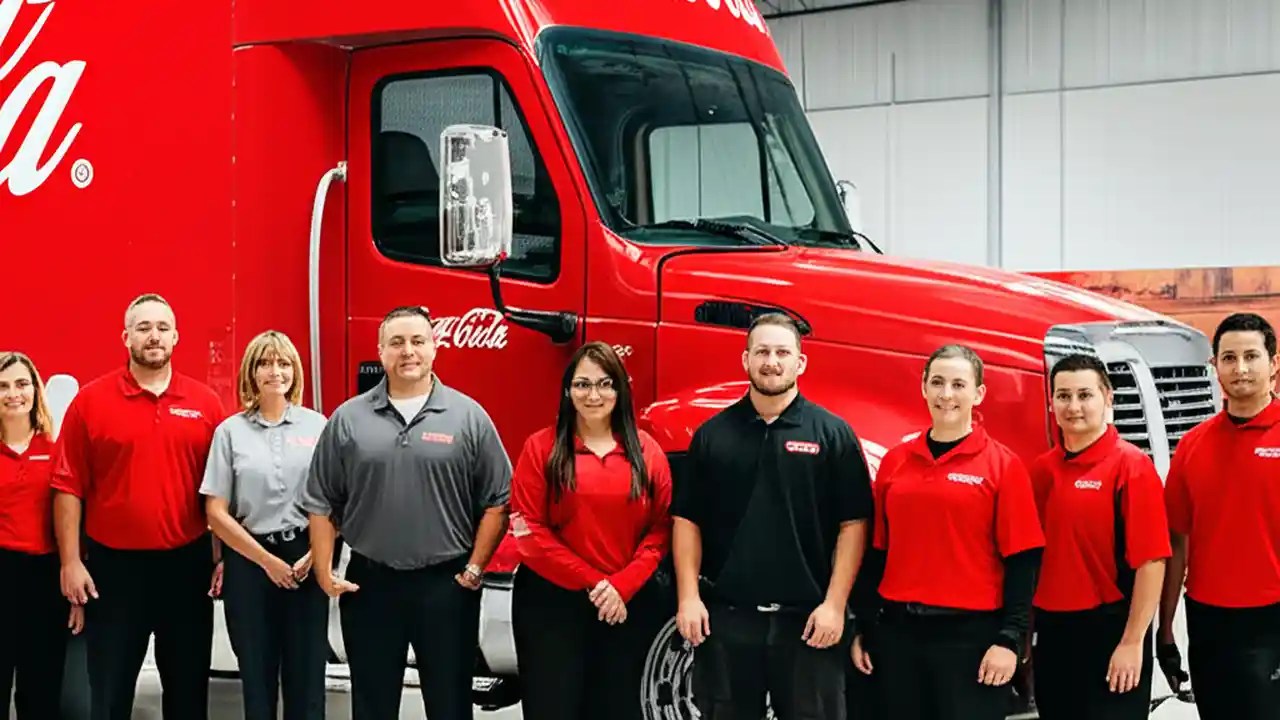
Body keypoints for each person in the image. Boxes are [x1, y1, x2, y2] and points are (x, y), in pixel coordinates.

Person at [300, 305, 512, 720]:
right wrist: (324, 572)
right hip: (370, 586)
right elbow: (321, 501)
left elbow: (497, 503)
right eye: (396, 342)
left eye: (418, 341)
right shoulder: (348, 419)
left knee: (449, 705)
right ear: (380, 352)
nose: (408, 351)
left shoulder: (469, 417)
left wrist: (473, 570)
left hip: (446, 588)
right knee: (372, 706)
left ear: (435, 348)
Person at [671, 312, 874, 720]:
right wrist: (688, 597)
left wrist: (835, 606)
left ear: (800, 363)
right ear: (745, 360)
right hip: (727, 622)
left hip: (809, 624)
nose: (771, 361)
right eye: (761, 351)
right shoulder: (712, 436)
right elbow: (686, 520)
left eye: (782, 352)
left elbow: (853, 525)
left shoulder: (832, 434)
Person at [50, 293, 226, 720]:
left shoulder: (205, 404)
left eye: (163, 328)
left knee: (187, 695)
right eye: (144, 328)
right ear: (125, 336)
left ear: (176, 337)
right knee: (109, 694)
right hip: (114, 571)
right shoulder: (91, 403)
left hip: (186, 568)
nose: (154, 336)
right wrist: (70, 562)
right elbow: (67, 487)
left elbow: (219, 493)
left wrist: (221, 558)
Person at [850, 344, 1045, 720]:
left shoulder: (1003, 466)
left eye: (959, 384)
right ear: (923, 387)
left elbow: (1022, 561)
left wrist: (1010, 639)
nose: (946, 394)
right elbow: (878, 553)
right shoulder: (895, 462)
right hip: (898, 635)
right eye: (937, 382)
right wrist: (863, 626)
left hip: (970, 640)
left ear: (979, 393)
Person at [508, 341, 673, 720]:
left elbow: (661, 529)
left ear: (620, 389)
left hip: (626, 606)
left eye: (605, 384)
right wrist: (597, 583)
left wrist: (623, 586)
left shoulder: (647, 452)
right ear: (567, 391)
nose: (593, 395)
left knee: (620, 708)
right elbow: (528, 531)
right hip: (551, 607)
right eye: (582, 384)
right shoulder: (541, 448)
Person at [1028, 353, 1170, 719]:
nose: (1073, 406)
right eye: (1063, 396)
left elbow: (1152, 562)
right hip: (1054, 636)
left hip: (1110, 633)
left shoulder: (1131, 467)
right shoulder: (1041, 471)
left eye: (1085, 395)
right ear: (1051, 401)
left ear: (1108, 399)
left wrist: (1133, 641)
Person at [199, 330, 329, 720]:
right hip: (250, 561)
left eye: (284, 362)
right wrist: (266, 561)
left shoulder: (318, 426)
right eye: (265, 363)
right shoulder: (230, 432)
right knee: (257, 678)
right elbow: (216, 512)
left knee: (307, 680)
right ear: (251, 373)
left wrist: (316, 554)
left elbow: (334, 502)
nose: (276, 371)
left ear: (296, 371)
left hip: (306, 557)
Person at [1157, 312, 1280, 720]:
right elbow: (1176, 541)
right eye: (1228, 357)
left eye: (1251, 356)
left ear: (1274, 363)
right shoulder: (1193, 446)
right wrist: (1166, 627)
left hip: (1272, 622)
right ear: (1215, 366)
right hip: (1209, 622)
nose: (1240, 368)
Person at [0, 351, 83, 718]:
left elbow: (75, 521)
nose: (13, 393)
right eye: (2, 386)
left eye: (21, 384)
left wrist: (76, 595)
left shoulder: (57, 450)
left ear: (36, 389)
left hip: (45, 579)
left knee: (41, 690)